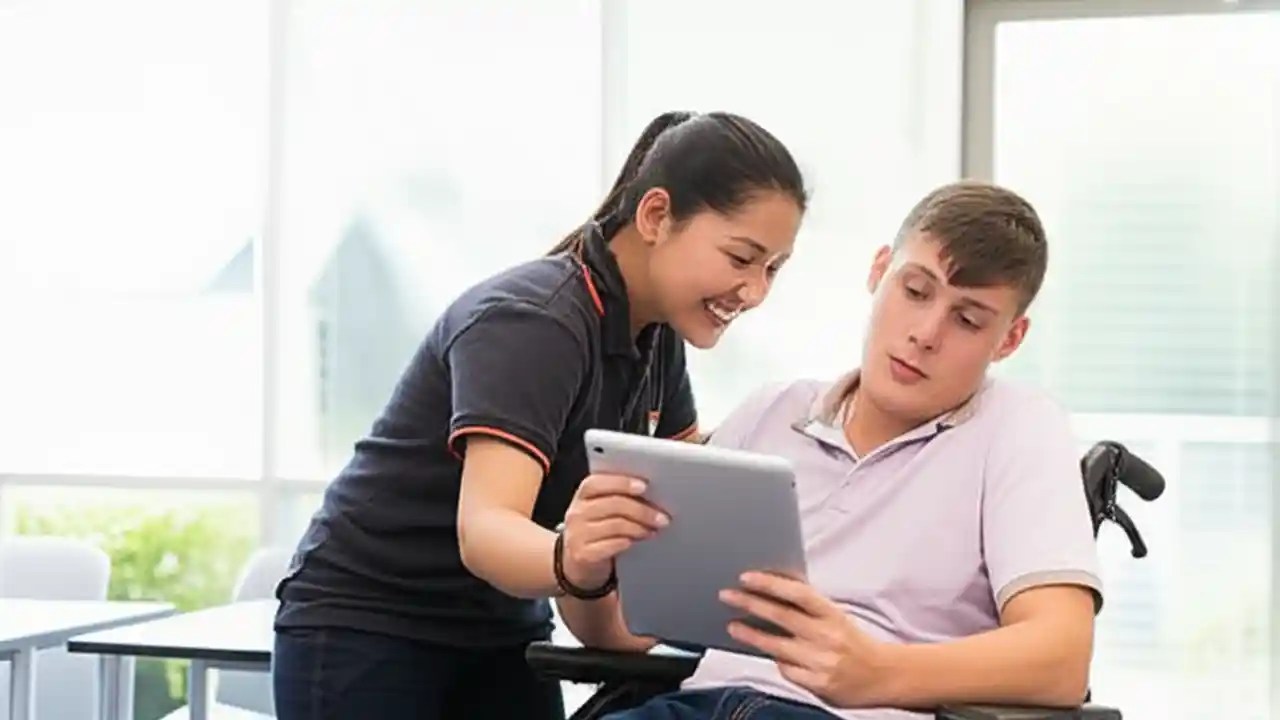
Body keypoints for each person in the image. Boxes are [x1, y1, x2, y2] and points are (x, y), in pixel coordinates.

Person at [270, 110, 809, 720]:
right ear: (657, 216)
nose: (756, 291)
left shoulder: (658, 340)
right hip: (371, 623)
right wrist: (573, 559)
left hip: (499, 626)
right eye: (741, 258)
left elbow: (686, 502)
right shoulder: (536, 322)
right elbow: (487, 528)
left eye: (773, 269)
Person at [598, 180, 1103, 719]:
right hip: (695, 706)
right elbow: (625, 634)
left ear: (1009, 339)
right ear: (879, 271)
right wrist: (581, 571)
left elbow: (1062, 661)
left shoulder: (1017, 429)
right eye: (915, 291)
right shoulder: (773, 411)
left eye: (968, 319)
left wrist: (878, 673)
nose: (926, 333)